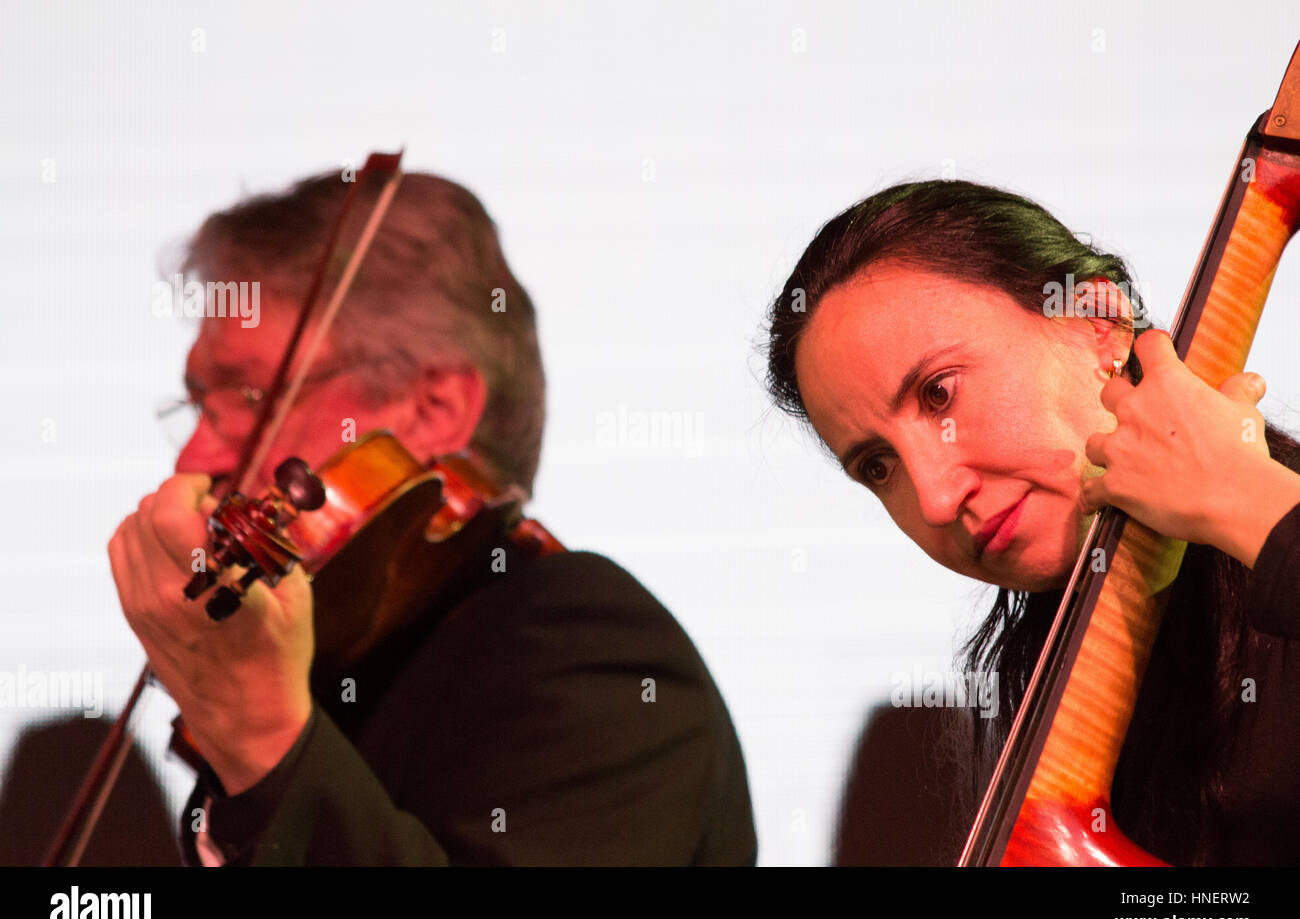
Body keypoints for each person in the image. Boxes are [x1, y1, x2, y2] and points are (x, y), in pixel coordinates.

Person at [108, 169, 757, 865]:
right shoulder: (338, 668)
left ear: (435, 408)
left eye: (248, 397)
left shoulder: (587, 647)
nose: (196, 461)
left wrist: (262, 740)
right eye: (200, 408)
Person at [764, 179, 1300, 866]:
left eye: (938, 393)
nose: (932, 498)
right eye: (878, 466)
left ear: (1097, 323)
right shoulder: (1063, 718)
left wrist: (1243, 499)